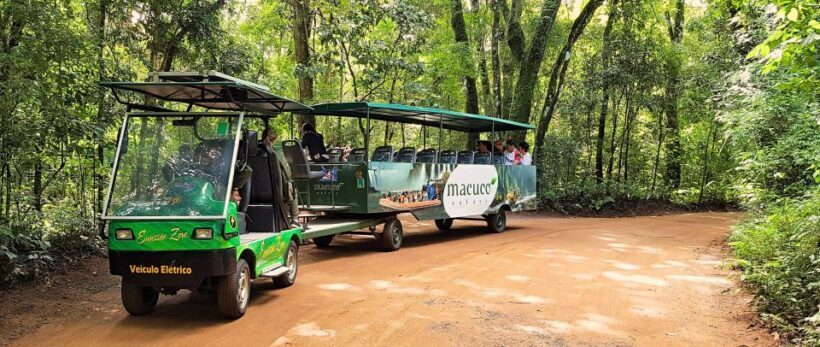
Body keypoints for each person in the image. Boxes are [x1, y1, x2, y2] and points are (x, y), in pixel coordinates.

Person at [263, 128, 300, 228]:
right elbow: (287, 174)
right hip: (277, 188)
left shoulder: (255, 153)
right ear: (274, 139)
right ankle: (294, 220)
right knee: (292, 186)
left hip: (260, 188)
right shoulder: (276, 154)